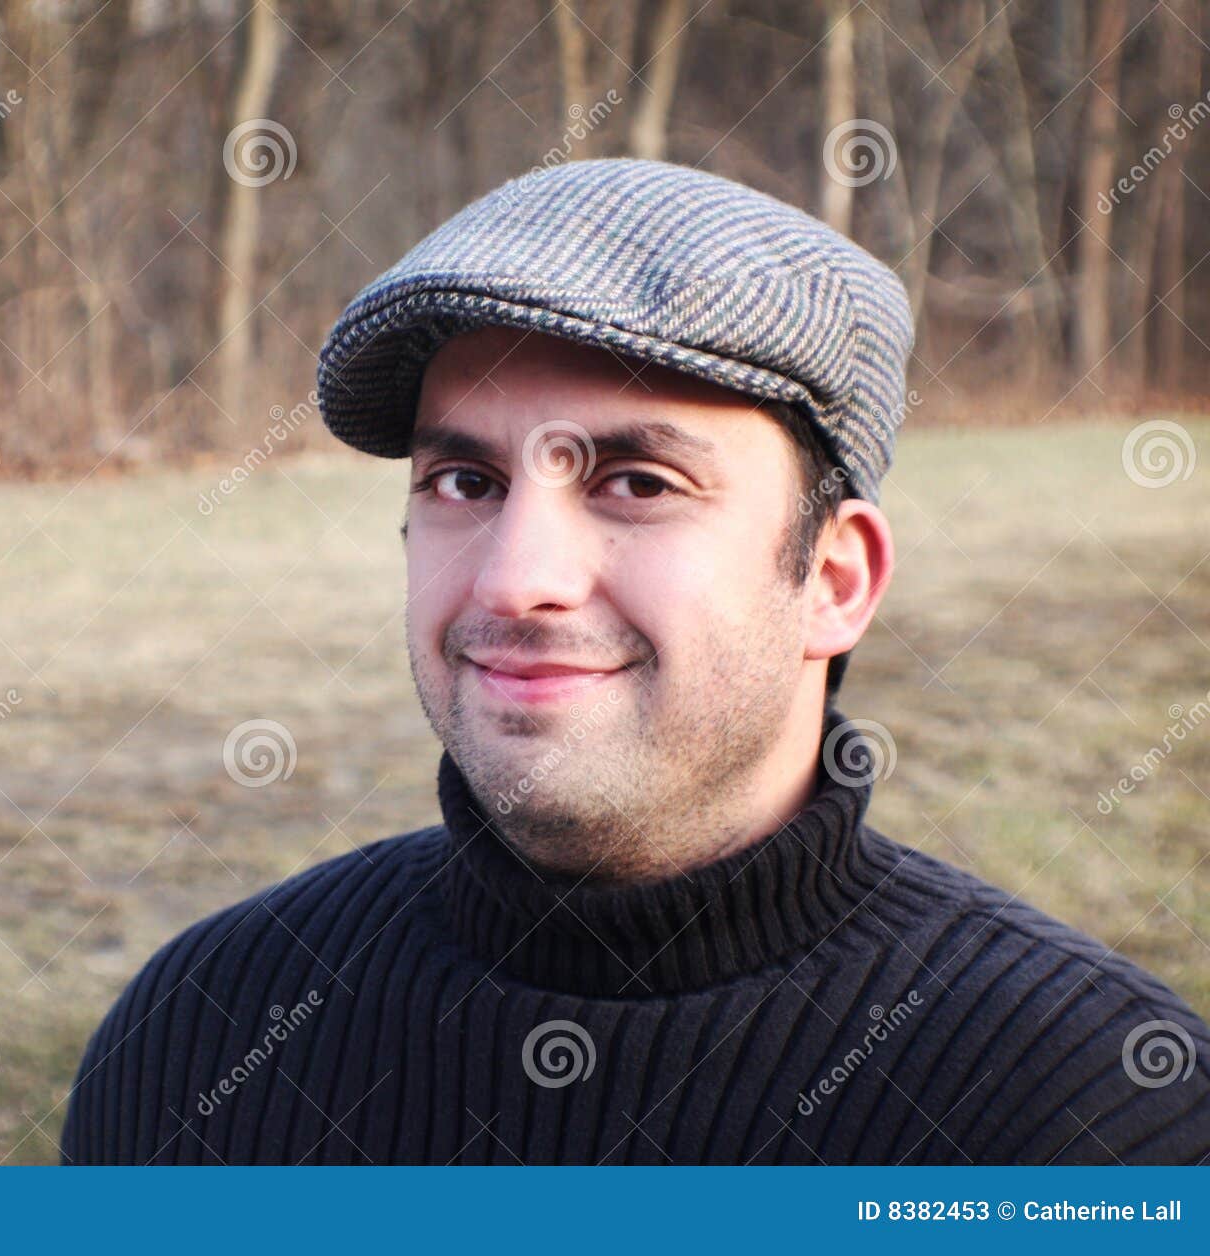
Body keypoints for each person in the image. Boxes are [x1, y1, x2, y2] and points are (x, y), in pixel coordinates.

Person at [60, 159, 1210, 1164]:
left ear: (833, 579)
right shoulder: (202, 1038)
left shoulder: (1100, 1120)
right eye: (465, 481)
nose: (514, 579)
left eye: (637, 482)